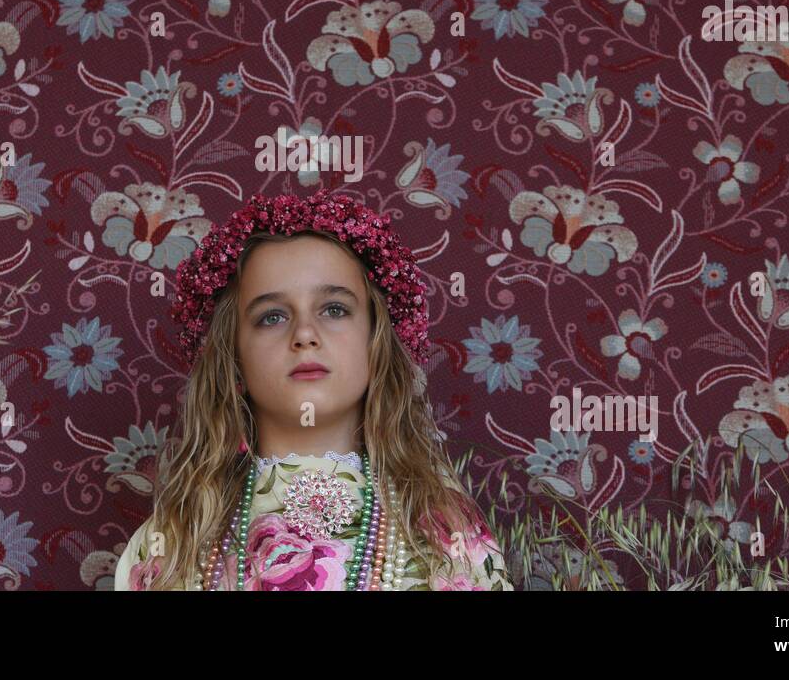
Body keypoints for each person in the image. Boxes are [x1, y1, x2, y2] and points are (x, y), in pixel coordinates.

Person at [114, 189, 512, 590]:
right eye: (272, 316)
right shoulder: (169, 544)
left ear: (376, 339)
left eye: (334, 309)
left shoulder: (448, 534)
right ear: (233, 355)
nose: (305, 333)